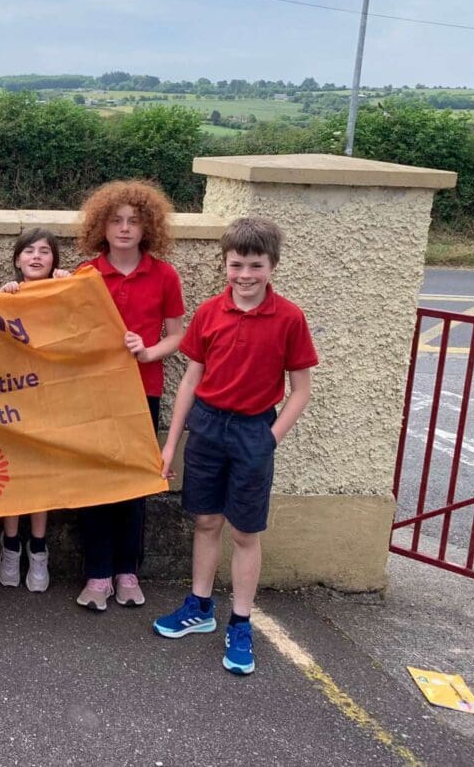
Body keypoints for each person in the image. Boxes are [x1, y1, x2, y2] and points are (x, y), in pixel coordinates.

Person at [153, 217, 316, 676]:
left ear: (272, 267)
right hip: (206, 428)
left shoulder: (289, 318)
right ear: (225, 264)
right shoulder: (209, 313)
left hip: (252, 433)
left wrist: (269, 438)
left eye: (255, 266)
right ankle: (200, 607)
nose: (245, 275)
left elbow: (300, 389)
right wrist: (171, 444)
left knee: (245, 531)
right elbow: (191, 379)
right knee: (205, 520)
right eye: (237, 265)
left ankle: (240, 621)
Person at [75, 180, 185, 611]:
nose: (124, 229)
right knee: (96, 485)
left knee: (135, 486)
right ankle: (97, 575)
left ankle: (127, 572)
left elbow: (177, 335)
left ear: (147, 227)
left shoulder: (164, 275)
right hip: (93, 397)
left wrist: (148, 352)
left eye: (133, 221)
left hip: (143, 392)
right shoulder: (86, 275)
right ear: (101, 227)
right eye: (115, 220)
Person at [0, 227, 70, 593]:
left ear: (55, 260)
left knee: (40, 475)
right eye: (29, 251)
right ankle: (10, 544)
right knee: (12, 473)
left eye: (45, 251)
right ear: (17, 260)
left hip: (48, 400)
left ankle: (37, 547)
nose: (37, 256)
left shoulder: (64, 291)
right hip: (11, 400)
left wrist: (70, 288)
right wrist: (5, 298)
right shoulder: (5, 296)